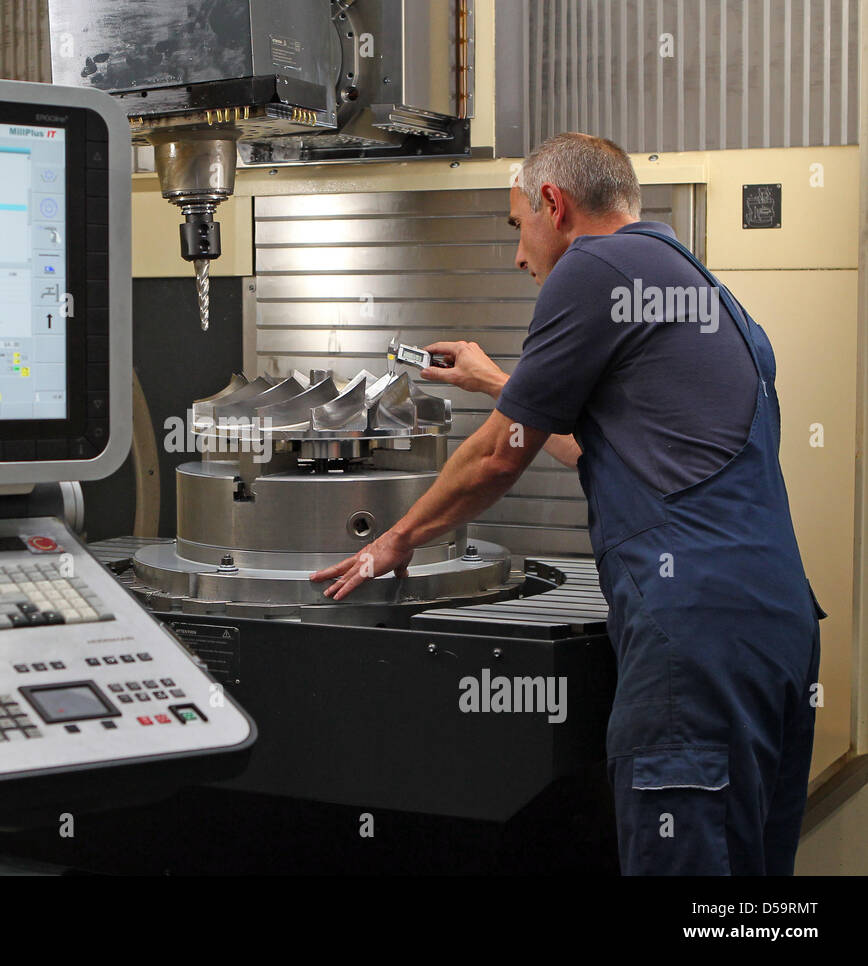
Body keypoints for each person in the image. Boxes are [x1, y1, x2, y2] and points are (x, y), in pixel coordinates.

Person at [310, 132, 824, 875]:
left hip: (694, 634)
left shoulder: (591, 266)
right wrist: (500, 387)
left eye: (519, 226)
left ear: (555, 203)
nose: (521, 256)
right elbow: (603, 448)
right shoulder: (702, 289)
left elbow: (497, 454)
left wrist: (398, 538)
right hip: (777, 629)